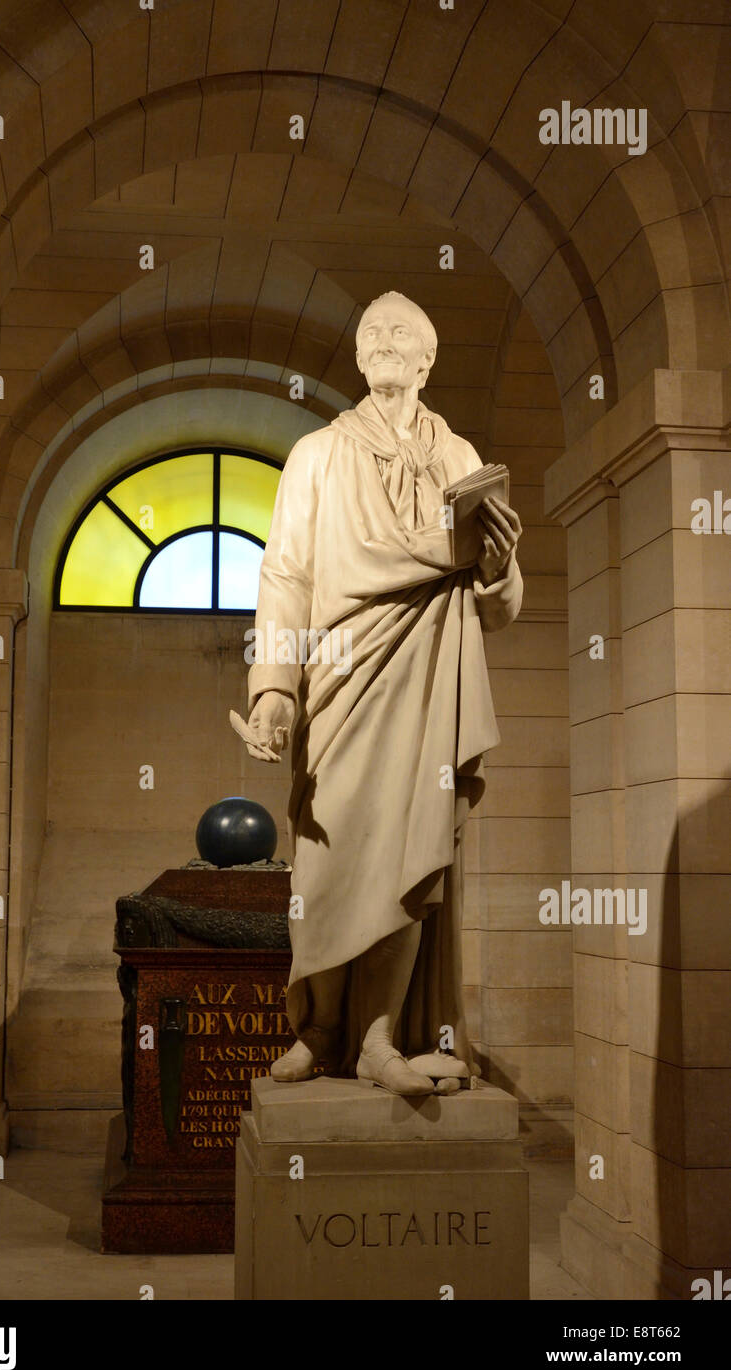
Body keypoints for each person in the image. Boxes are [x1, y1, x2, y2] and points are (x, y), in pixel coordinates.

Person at [233, 291, 523, 1096]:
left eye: (402, 334)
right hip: (341, 678)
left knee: (411, 859)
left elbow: (498, 604)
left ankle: (377, 1040)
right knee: (325, 864)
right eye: (372, 335)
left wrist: (499, 564)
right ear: (360, 360)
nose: (385, 342)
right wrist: (274, 691)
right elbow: (285, 573)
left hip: (429, 677)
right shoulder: (317, 454)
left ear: (427, 360)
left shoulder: (460, 456)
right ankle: (319, 1031)